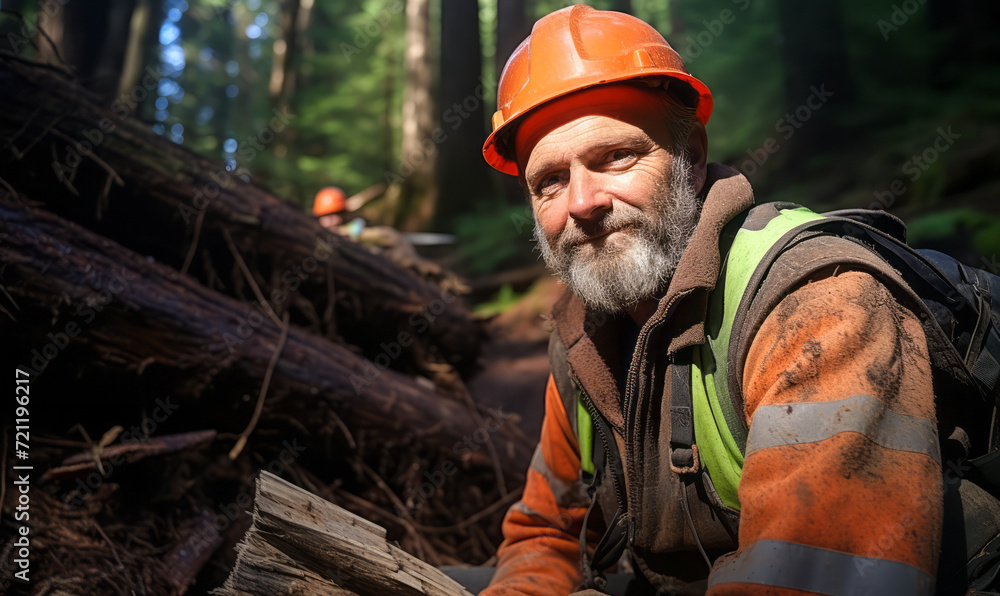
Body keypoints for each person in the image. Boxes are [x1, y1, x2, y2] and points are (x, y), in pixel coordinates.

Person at [474, 5, 1000, 595]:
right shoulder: (583, 340)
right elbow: (545, 534)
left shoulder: (816, 299)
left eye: (616, 157)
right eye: (549, 181)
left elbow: (818, 578)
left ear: (691, 157)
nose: (582, 202)